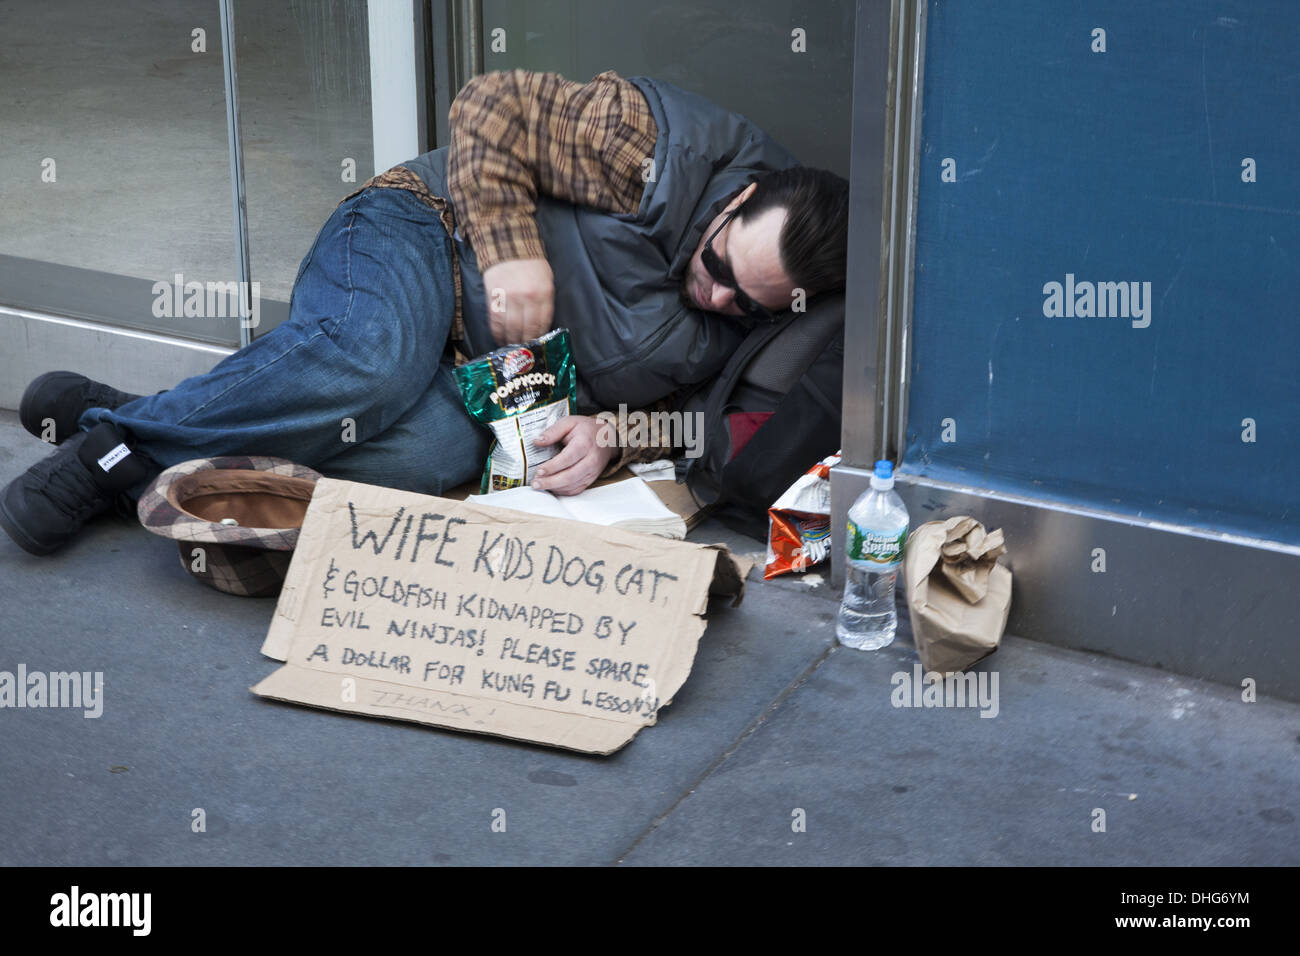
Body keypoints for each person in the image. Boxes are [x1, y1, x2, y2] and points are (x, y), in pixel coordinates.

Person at [0, 69, 849, 557]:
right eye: (717, 267)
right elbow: (490, 110)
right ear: (736, 201)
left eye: (746, 303)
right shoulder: (658, 151)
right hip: (425, 233)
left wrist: (617, 432)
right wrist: (512, 247)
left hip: (481, 379)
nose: (717, 297)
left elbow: (695, 418)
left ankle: (112, 427)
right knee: (373, 362)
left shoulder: (759, 310)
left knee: (428, 459)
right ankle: (102, 460)